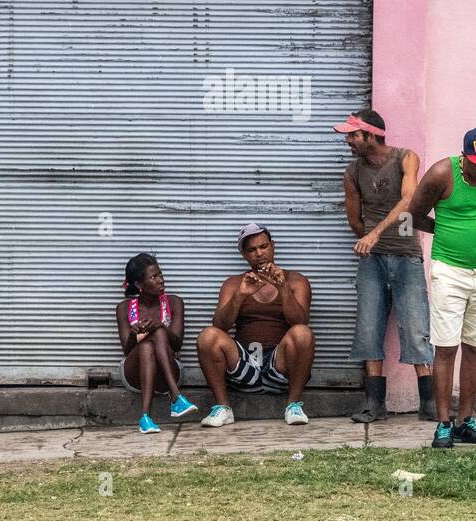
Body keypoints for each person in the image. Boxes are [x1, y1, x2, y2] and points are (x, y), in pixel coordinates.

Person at [407, 129, 476, 448]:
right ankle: (443, 425)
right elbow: (413, 215)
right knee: (446, 346)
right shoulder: (442, 173)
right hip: (449, 271)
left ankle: (465, 421)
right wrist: (446, 229)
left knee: (475, 346)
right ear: (463, 157)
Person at [334, 109, 436, 422]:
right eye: (348, 135)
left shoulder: (406, 158)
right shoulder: (352, 172)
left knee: (416, 327)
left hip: (406, 256)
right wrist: (368, 238)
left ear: (372, 134)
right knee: (368, 328)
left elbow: (408, 200)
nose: (349, 140)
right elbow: (354, 219)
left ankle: (429, 403)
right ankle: (373, 403)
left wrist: (376, 234)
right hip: (372, 260)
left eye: (354, 134)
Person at [195, 223, 315, 427]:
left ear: (273, 246)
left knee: (302, 333)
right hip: (244, 369)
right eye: (251, 250)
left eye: (264, 246)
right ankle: (223, 408)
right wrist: (240, 295)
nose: (259, 253)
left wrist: (283, 289)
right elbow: (220, 326)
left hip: (279, 369)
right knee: (208, 335)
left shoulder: (296, 280)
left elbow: (300, 322)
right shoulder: (234, 283)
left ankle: (293, 405)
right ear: (243, 254)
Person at [115, 253, 198, 433]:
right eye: (154, 277)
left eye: (160, 274)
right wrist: (132, 333)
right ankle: (176, 397)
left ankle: (145, 416)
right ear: (138, 284)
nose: (161, 280)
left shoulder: (174, 303)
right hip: (135, 374)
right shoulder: (124, 308)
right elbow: (127, 351)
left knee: (157, 333)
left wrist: (161, 326)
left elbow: (177, 345)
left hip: (169, 370)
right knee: (145, 347)